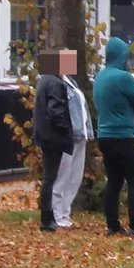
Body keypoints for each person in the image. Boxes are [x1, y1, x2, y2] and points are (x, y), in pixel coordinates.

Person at [94, 37, 134, 236]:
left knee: (114, 181)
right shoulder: (123, 77)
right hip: (124, 135)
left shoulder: (99, 77)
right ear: (122, 56)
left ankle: (112, 224)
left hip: (104, 136)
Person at [32, 51, 77, 232]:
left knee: (48, 178)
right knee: (51, 178)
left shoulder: (43, 81)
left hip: (43, 135)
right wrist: (66, 129)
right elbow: (56, 111)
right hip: (53, 137)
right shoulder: (57, 84)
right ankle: (47, 218)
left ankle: (47, 216)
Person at [49, 52, 91, 228]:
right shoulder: (55, 84)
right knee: (62, 175)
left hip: (81, 135)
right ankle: (56, 214)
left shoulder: (71, 82)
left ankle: (65, 212)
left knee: (74, 177)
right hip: (67, 136)